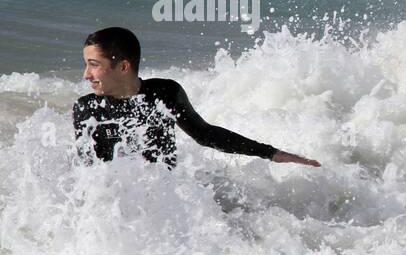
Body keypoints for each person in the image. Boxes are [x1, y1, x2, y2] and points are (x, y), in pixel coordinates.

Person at [73, 27, 320, 169]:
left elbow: (205, 135)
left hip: (168, 198)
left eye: (94, 65)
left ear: (124, 67)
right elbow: (90, 172)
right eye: (86, 65)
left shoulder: (163, 94)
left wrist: (272, 153)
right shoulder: (87, 109)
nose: (86, 75)